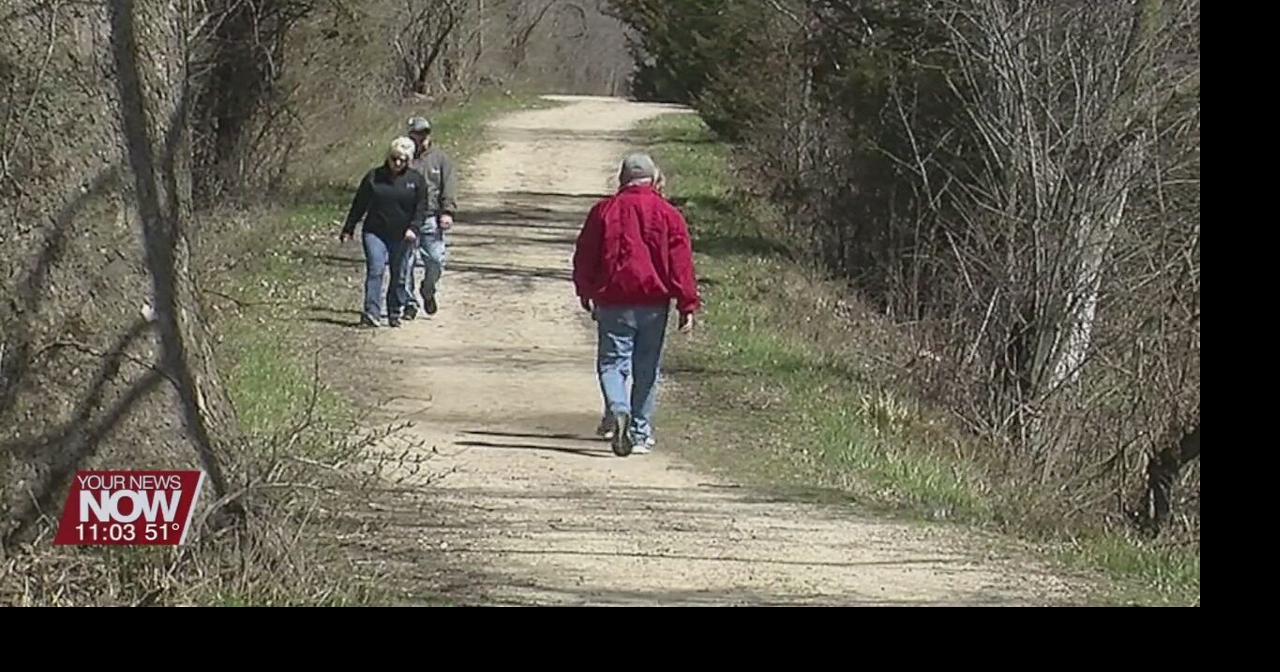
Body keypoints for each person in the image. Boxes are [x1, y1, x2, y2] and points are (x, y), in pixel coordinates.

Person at [572, 153, 701, 457]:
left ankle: (618, 409)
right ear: (653, 179)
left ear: (623, 179)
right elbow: (680, 264)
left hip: (614, 301)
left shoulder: (604, 211)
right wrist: (687, 304)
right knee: (646, 368)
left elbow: (586, 254)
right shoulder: (669, 214)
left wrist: (585, 290)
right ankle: (640, 432)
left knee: (612, 363)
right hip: (654, 303)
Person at [340, 137, 426, 328]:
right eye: (394, 158)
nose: (397, 163)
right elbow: (359, 204)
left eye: (402, 160)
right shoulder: (373, 177)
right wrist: (349, 227)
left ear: (408, 160)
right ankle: (371, 313)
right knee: (376, 270)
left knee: (399, 274)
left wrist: (414, 228)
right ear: (388, 157)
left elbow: (421, 209)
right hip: (375, 232)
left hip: (403, 235)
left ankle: (394, 311)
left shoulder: (416, 181)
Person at [401, 116, 459, 319]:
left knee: (435, 260)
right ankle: (409, 303)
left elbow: (449, 186)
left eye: (424, 133)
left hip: (430, 218)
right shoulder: (402, 156)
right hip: (405, 218)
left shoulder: (441, 159)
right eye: (416, 134)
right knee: (405, 263)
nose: (420, 138)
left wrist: (447, 212)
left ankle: (428, 289)